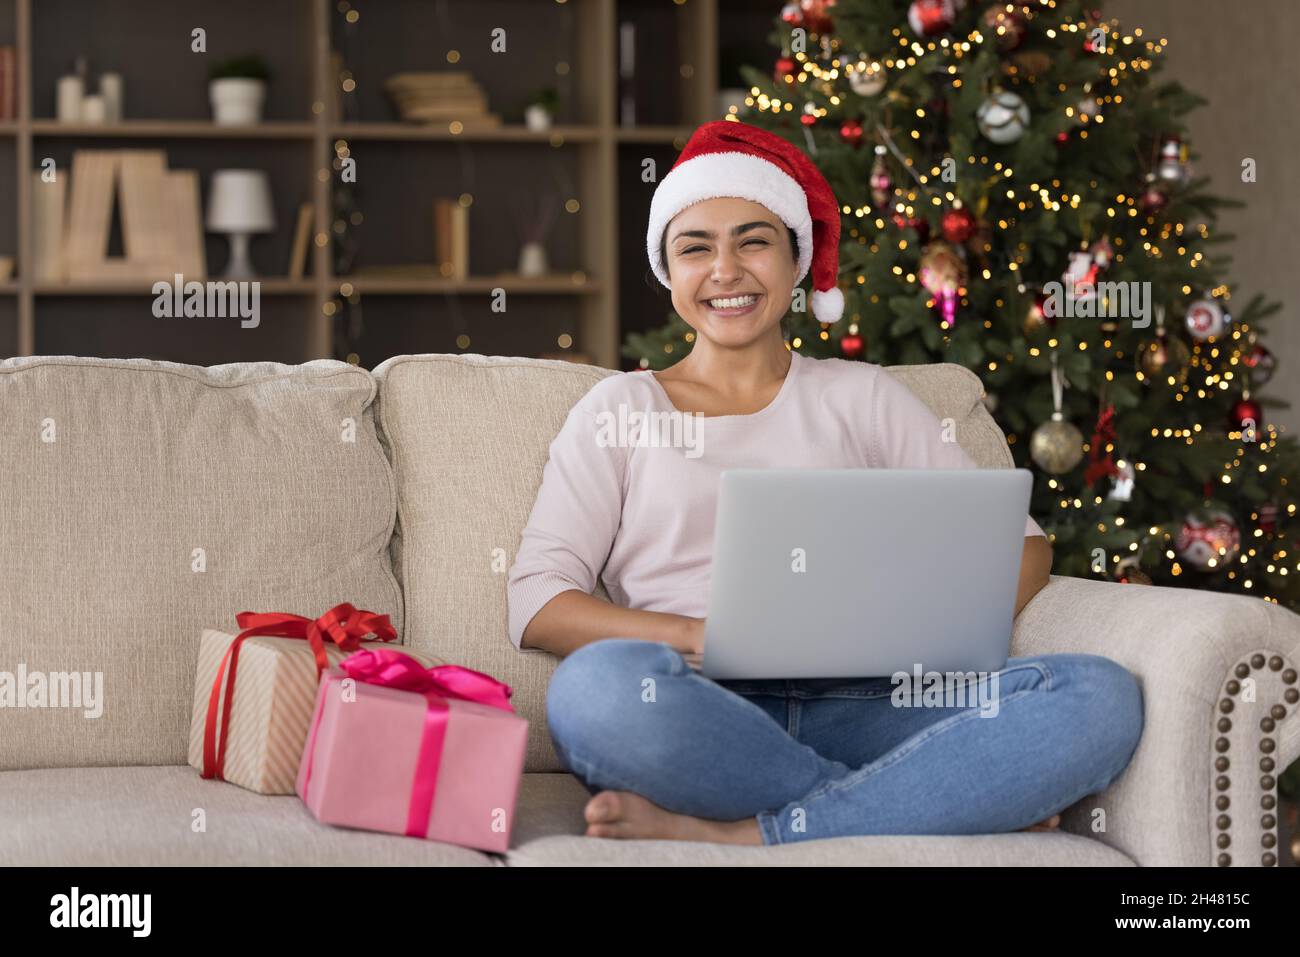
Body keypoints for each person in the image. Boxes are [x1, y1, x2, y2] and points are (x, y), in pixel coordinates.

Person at [506, 120, 1143, 846]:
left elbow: (1025, 551)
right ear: (668, 272)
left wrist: (904, 626)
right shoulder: (620, 410)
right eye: (695, 248)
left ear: (794, 261)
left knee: (1097, 695)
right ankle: (926, 796)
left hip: (872, 700)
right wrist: (697, 636)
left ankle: (750, 832)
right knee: (594, 692)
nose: (726, 270)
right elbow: (537, 599)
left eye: (753, 240)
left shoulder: (862, 397)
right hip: (702, 705)